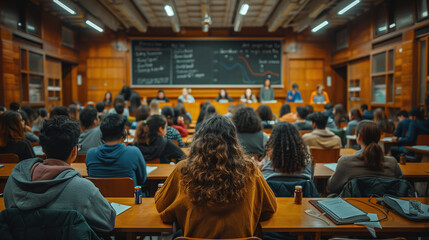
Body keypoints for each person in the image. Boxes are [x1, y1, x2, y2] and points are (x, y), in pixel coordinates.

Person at [154, 114, 276, 238]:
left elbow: (161, 205)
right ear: (234, 142)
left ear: (199, 140)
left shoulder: (183, 170)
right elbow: (270, 208)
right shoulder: (250, 169)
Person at [3, 116, 116, 232]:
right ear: (74, 151)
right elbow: (108, 222)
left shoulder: (14, 180)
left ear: (43, 149)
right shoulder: (83, 188)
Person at [327, 121, 404, 194]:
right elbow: (401, 184)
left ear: (359, 137)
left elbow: (332, 187)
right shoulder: (392, 162)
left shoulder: (345, 162)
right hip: (383, 206)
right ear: (379, 137)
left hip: (353, 205)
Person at [86, 114, 147, 187]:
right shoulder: (134, 152)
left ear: (101, 136)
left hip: (99, 198)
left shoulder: (91, 154)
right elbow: (142, 179)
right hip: (128, 198)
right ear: (123, 134)